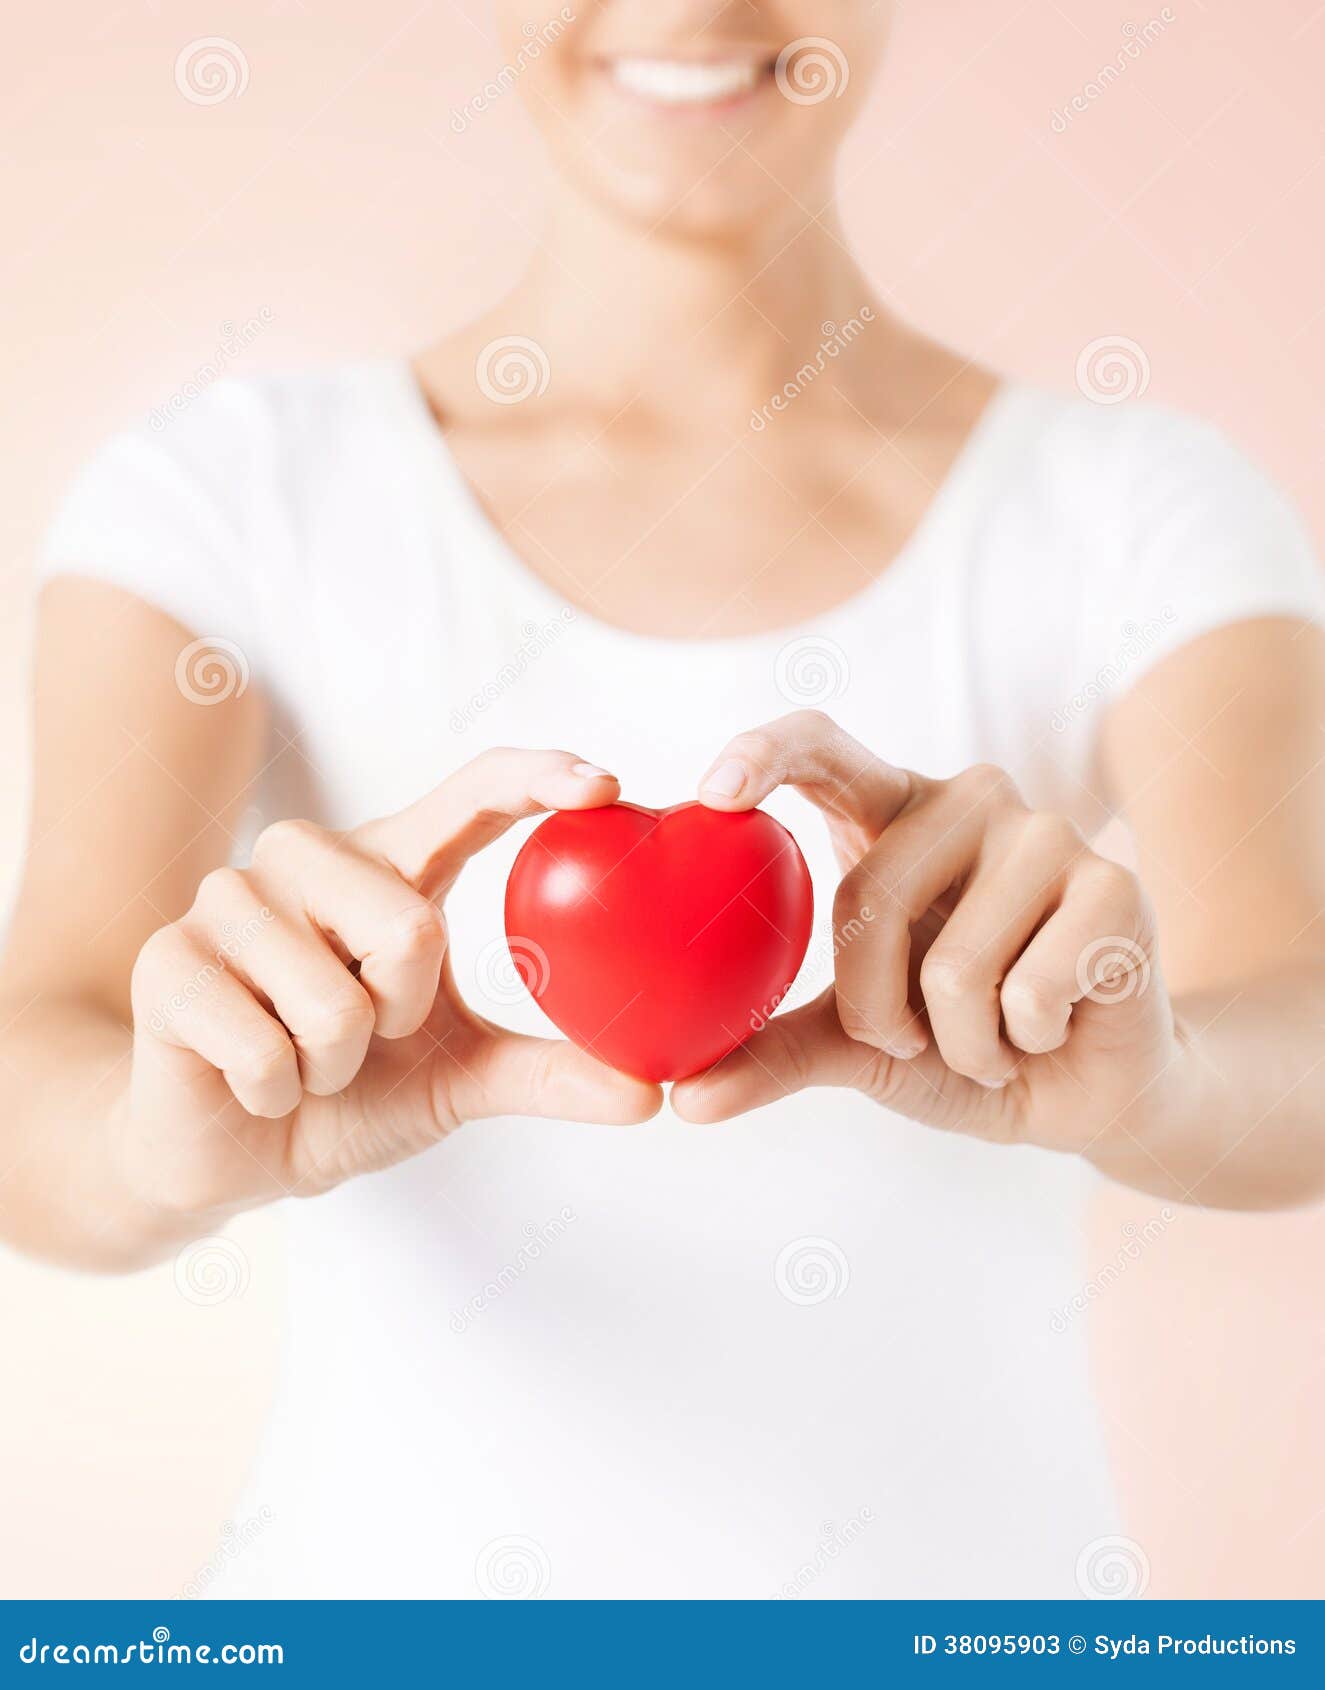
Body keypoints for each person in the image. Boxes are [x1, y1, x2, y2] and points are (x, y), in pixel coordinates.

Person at [4, 1, 1324, 1598]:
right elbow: (38, 1067)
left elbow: (1297, 1032)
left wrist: (1162, 1079)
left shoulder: (1143, 508)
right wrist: (155, 1142)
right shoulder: (220, 492)